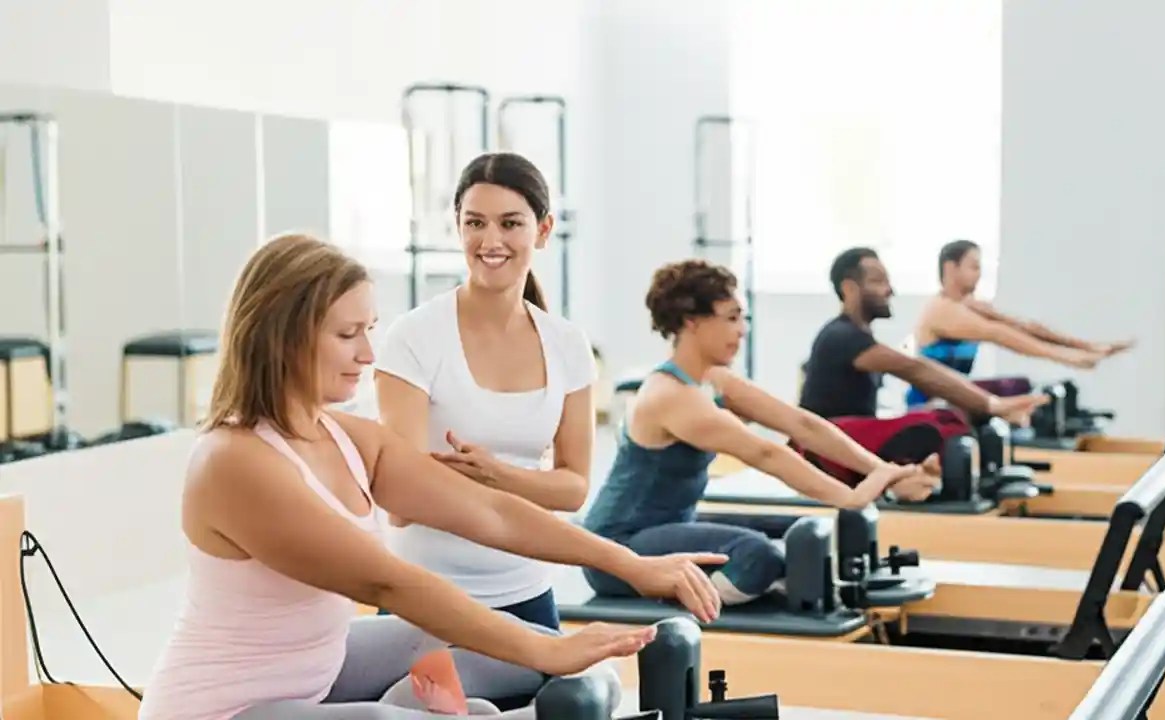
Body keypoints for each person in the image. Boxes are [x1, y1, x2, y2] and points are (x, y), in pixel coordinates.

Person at [137, 234, 726, 720]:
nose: (369, 354)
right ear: (281, 336)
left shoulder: (347, 437)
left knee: (530, 659)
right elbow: (388, 585)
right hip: (222, 709)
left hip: (317, 670)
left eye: (370, 329)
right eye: (347, 335)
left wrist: (633, 566)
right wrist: (553, 646)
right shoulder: (235, 461)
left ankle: (450, 708)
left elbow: (492, 512)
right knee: (401, 715)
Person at [581, 259, 936, 607]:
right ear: (692, 322)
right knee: (755, 556)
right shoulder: (671, 396)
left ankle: (773, 581)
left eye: (744, 318)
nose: (742, 330)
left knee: (803, 530)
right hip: (619, 553)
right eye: (732, 318)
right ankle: (760, 586)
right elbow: (766, 454)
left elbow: (802, 424)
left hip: (666, 529)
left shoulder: (713, 379)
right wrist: (852, 497)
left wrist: (881, 471)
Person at [375, 153, 591, 633]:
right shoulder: (414, 336)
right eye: (475, 222)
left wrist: (495, 474)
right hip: (424, 594)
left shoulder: (568, 345)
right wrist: (518, 484)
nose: (491, 241)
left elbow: (574, 488)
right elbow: (401, 501)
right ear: (457, 228)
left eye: (510, 223)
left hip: (526, 592)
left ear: (543, 229)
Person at [799, 247, 1049, 424]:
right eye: (878, 281)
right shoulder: (841, 337)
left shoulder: (854, 336)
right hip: (828, 450)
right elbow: (914, 369)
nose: (890, 290)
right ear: (849, 288)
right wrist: (991, 405)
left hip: (852, 438)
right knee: (939, 424)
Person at [906, 239, 1133, 406]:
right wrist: (1068, 358)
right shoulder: (940, 309)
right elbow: (997, 333)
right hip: (927, 405)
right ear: (950, 268)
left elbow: (1023, 326)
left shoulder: (971, 305)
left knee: (1020, 384)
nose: (979, 274)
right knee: (1012, 389)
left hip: (953, 398)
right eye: (974, 267)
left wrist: (1087, 346)